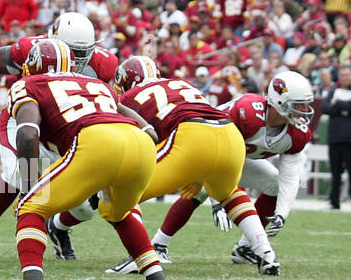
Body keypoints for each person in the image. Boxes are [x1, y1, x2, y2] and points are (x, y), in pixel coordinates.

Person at [0, 40, 173, 280]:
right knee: (119, 212)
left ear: (34, 63)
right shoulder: (97, 84)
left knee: (31, 207)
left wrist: (29, 185)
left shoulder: (27, 85)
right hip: (139, 144)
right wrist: (145, 135)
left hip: (97, 140)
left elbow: (28, 134)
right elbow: (142, 124)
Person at [0, 12, 118, 261]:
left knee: (84, 208)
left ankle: (58, 228)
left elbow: (112, 105)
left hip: (64, 130)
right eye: (71, 50)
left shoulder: (103, 64)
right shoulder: (35, 49)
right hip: (22, 119)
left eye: (83, 52)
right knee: (19, 174)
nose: (77, 58)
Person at [105, 56, 279, 276]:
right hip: (230, 135)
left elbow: (144, 138)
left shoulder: (130, 97)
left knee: (115, 194)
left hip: (192, 137)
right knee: (229, 193)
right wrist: (197, 175)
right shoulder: (184, 85)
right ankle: (266, 253)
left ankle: (141, 255)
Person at [135, 70, 315, 266]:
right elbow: (219, 150)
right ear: (279, 101)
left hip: (238, 156)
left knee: (274, 183)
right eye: (299, 104)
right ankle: (159, 244)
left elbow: (289, 176)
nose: (304, 110)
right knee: (202, 190)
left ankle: (245, 247)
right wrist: (217, 201)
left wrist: (281, 213)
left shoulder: (297, 132)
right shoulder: (249, 112)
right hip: (208, 145)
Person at [319, 64, 351, 209]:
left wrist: (338, 105)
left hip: (349, 139)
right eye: (342, 75)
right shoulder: (334, 91)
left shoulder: (337, 96)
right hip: (334, 138)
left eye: (347, 74)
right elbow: (324, 108)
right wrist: (342, 107)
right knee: (335, 172)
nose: (345, 77)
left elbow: (336, 107)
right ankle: (334, 202)